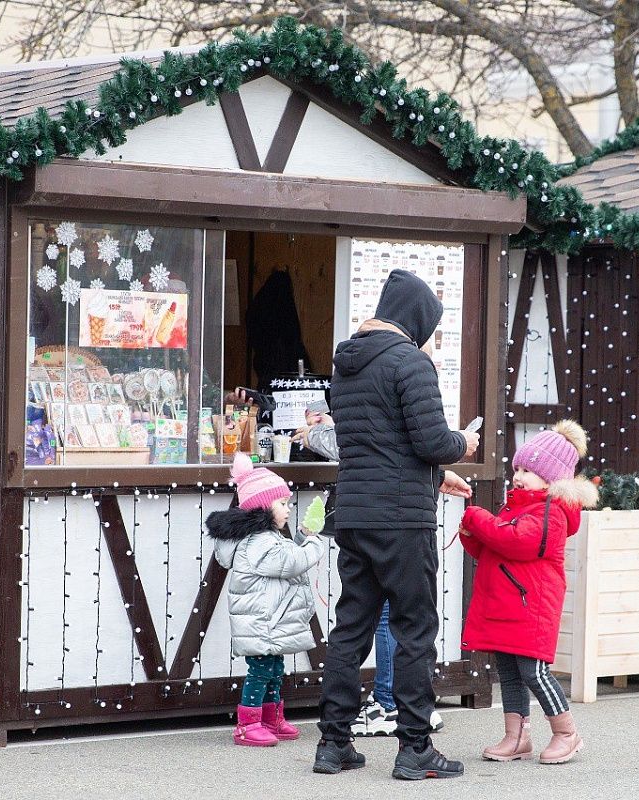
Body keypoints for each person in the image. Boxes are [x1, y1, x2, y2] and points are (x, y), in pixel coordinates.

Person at [313, 269, 479, 781]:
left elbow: (383, 443)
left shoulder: (346, 367)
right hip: (403, 520)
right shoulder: (411, 363)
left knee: (351, 628)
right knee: (414, 629)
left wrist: (436, 473)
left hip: (356, 514)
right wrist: (462, 445)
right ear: (415, 321)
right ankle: (414, 749)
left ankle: (332, 744)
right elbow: (430, 442)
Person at [292, 410, 448, 736]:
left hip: (365, 515)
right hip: (404, 516)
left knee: (358, 623)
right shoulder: (403, 378)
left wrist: (312, 434)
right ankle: (407, 709)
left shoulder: (359, 379)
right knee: (406, 620)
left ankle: (379, 710)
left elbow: (354, 444)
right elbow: (417, 444)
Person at [459, 420, 598, 765]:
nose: (518, 476)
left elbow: (519, 543)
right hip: (510, 603)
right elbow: (496, 550)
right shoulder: (519, 506)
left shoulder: (551, 510)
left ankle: (566, 733)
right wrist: (472, 536)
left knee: (533, 672)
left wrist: (477, 518)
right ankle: (516, 736)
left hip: (532, 607)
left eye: (529, 470)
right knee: (507, 671)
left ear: (551, 478)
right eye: (517, 468)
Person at [205, 453, 329, 747]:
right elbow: (291, 562)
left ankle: (271, 718)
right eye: (283, 503)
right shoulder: (259, 542)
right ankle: (248, 725)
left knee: (274, 668)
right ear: (263, 506)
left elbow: (284, 556)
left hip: (269, 620)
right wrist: (313, 541)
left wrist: (299, 536)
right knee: (261, 670)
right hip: (262, 621)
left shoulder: (264, 537)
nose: (288, 508)